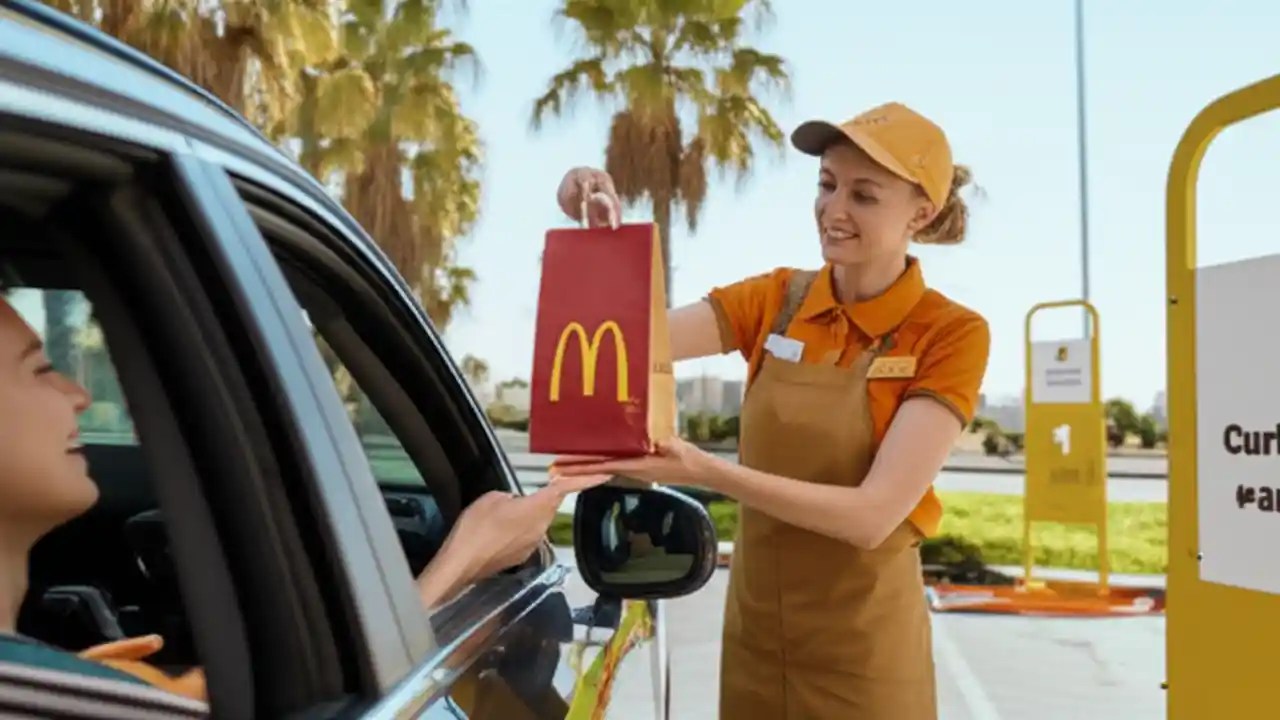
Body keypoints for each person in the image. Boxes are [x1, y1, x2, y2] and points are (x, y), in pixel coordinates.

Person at [550, 101, 992, 720]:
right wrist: (600, 238)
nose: (834, 210)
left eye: (864, 195)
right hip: (758, 638)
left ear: (922, 213)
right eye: (827, 184)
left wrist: (707, 473)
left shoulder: (947, 333)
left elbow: (873, 516)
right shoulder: (778, 300)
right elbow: (622, 342)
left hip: (862, 656)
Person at [0, 291, 599, 700]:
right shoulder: (59, 693)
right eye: (37, 370)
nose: (79, 394)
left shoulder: (64, 680)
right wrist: (465, 560)